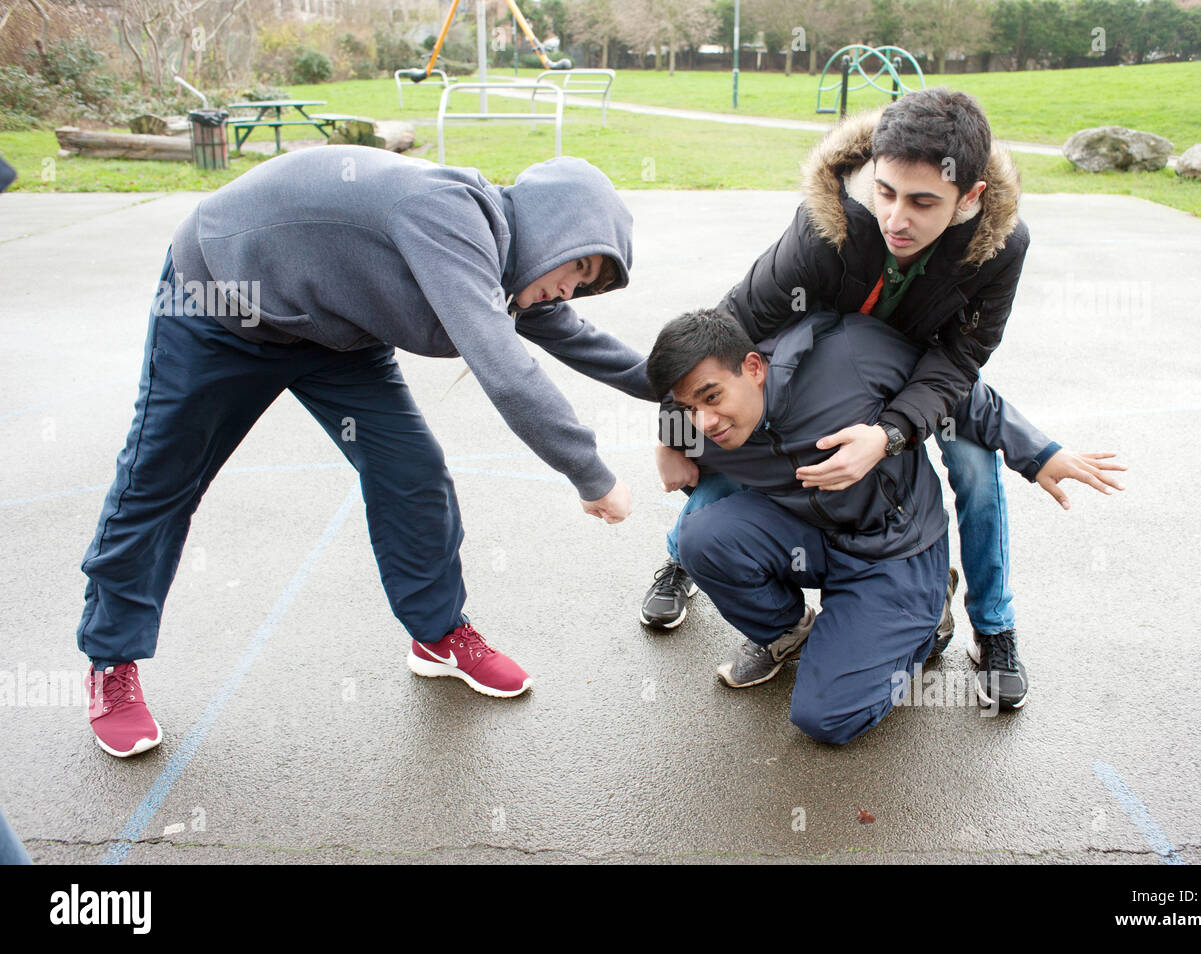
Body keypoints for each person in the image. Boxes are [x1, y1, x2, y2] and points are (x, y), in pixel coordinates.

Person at [77, 147, 655, 758]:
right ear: (550, 227)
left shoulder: (508, 271)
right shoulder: (450, 219)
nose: (571, 289)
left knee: (411, 472)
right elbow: (508, 375)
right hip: (221, 307)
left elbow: (578, 339)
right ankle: (111, 661)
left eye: (586, 285)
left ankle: (438, 636)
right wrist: (591, 475)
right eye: (578, 266)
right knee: (160, 479)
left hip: (333, 333)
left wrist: (681, 388)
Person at [640, 88, 1125, 710]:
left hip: (920, 375)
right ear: (873, 170)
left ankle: (992, 628)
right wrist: (673, 433)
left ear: (969, 198)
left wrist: (897, 433)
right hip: (827, 367)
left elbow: (960, 360)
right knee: (724, 459)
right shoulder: (828, 224)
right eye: (887, 192)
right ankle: (694, 563)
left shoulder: (1000, 246)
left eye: (923, 202)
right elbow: (724, 329)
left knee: (978, 469)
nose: (897, 218)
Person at [649, 307, 1110, 741]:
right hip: (810, 534)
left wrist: (1041, 453)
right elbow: (674, 412)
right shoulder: (697, 421)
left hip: (894, 548)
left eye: (712, 398)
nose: (703, 421)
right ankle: (789, 631)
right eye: (688, 408)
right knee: (702, 537)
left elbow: (958, 393)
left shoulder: (850, 356)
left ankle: (925, 620)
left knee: (824, 718)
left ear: (753, 367)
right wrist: (666, 446)